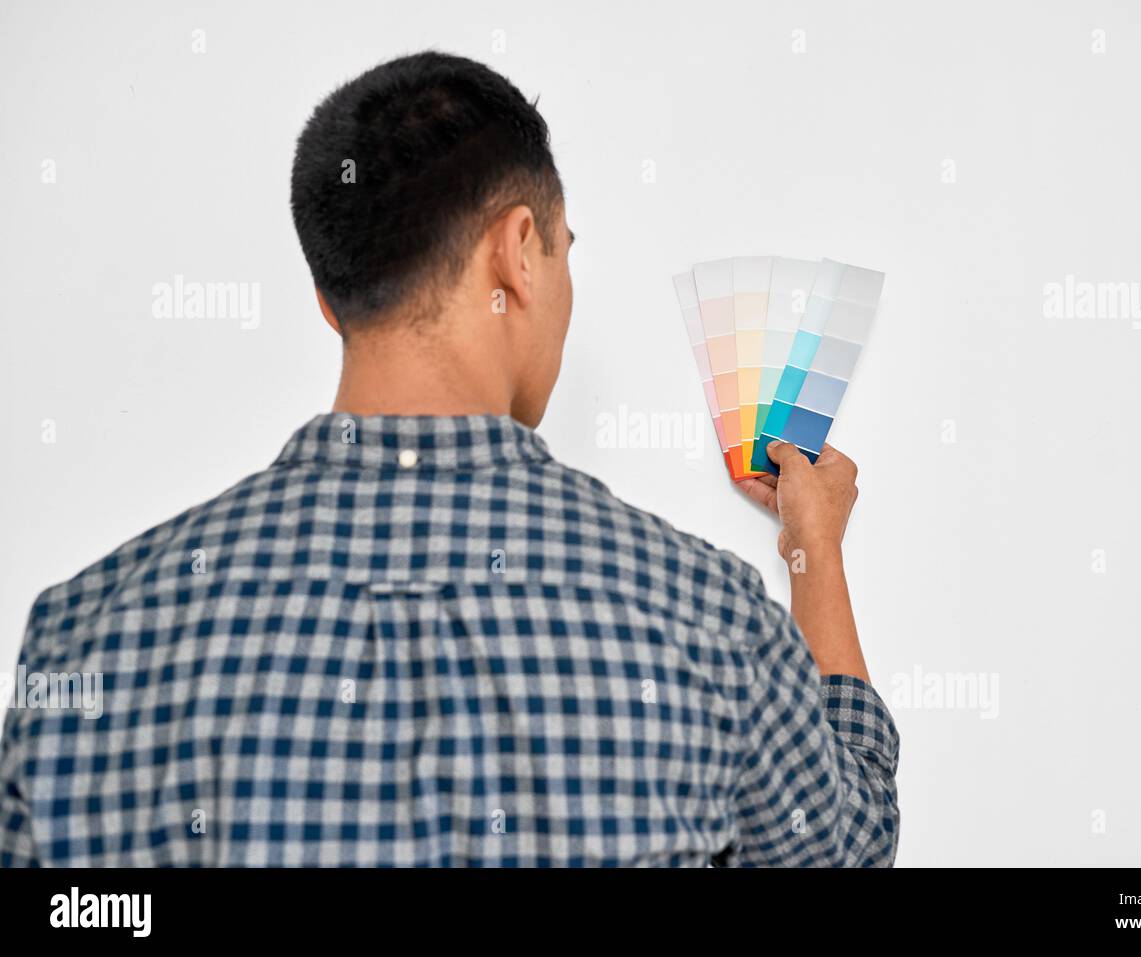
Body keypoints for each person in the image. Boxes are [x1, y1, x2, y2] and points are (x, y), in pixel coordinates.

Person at [0, 51, 898, 867]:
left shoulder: (86, 637)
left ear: (328, 297)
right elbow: (845, 850)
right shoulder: (707, 622)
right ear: (517, 254)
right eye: (564, 249)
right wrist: (812, 546)